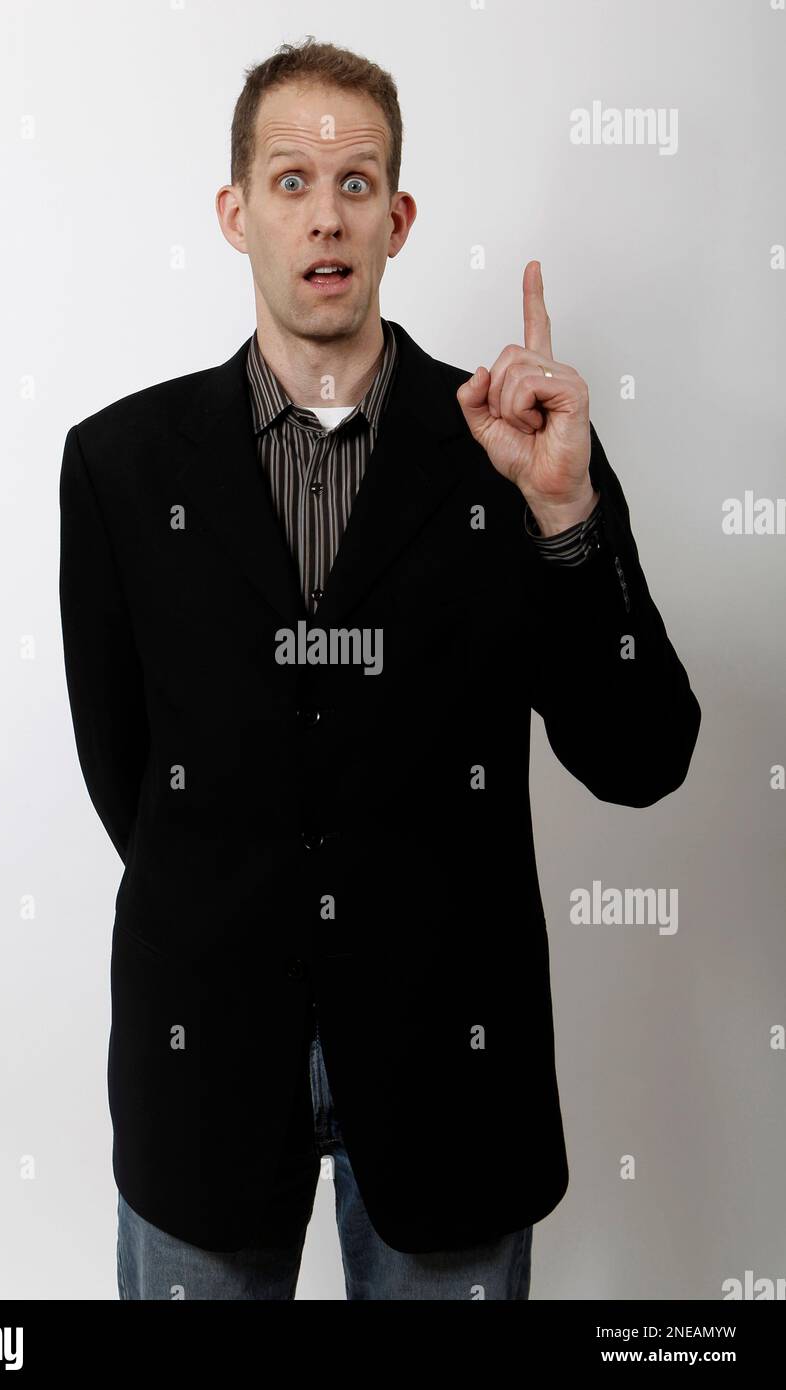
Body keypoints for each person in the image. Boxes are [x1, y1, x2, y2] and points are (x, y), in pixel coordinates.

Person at [58, 37, 701, 1300]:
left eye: (355, 184)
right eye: (289, 181)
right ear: (234, 212)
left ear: (397, 218)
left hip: (450, 1069)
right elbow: (127, 769)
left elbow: (640, 757)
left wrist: (565, 524)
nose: (324, 216)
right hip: (205, 1055)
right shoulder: (121, 467)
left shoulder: (515, 450)